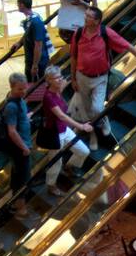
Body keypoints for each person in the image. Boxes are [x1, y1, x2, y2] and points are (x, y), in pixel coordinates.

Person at [68, 5, 136, 150]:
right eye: (86, 15)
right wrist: (73, 78)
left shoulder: (105, 33)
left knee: (97, 109)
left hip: (100, 78)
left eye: (89, 16)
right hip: (81, 76)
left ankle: (103, 121)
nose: (85, 18)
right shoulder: (78, 33)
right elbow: (73, 57)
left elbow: (128, 46)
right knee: (85, 107)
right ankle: (87, 131)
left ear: (97, 21)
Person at [36, 64, 93, 192]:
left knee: (84, 151)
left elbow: (66, 83)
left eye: (60, 76)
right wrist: (81, 126)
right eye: (56, 78)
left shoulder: (57, 91)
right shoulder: (48, 97)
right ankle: (51, 185)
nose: (60, 79)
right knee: (56, 161)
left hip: (64, 130)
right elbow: (62, 116)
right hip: (55, 134)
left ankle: (70, 167)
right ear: (49, 80)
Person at [0, 72, 33, 215]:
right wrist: (24, 148)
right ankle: (21, 207)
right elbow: (11, 131)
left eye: (25, 88)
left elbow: (18, 121)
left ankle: (17, 203)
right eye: (20, 89)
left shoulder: (19, 101)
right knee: (22, 177)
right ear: (12, 87)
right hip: (19, 148)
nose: (23, 91)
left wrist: (25, 118)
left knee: (19, 175)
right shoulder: (11, 106)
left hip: (23, 144)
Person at [16, 0, 50, 84]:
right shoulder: (30, 19)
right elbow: (27, 33)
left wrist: (35, 66)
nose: (17, 5)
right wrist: (19, 42)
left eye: (18, 3)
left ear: (22, 5)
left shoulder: (35, 22)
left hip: (38, 62)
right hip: (30, 59)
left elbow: (38, 45)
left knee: (36, 87)